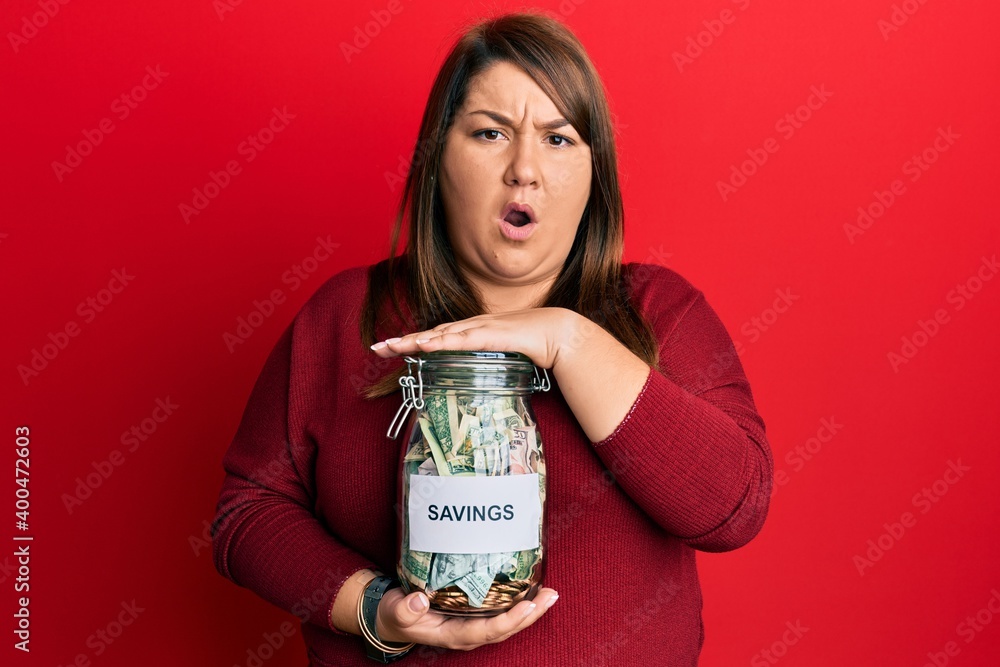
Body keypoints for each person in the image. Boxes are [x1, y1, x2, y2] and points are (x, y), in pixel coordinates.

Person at [212, 11, 773, 667]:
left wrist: (570, 340)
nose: (524, 169)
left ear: (595, 173)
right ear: (438, 157)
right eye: (489, 132)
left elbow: (734, 509)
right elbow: (245, 514)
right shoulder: (349, 317)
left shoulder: (659, 311)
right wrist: (375, 612)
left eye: (559, 139)